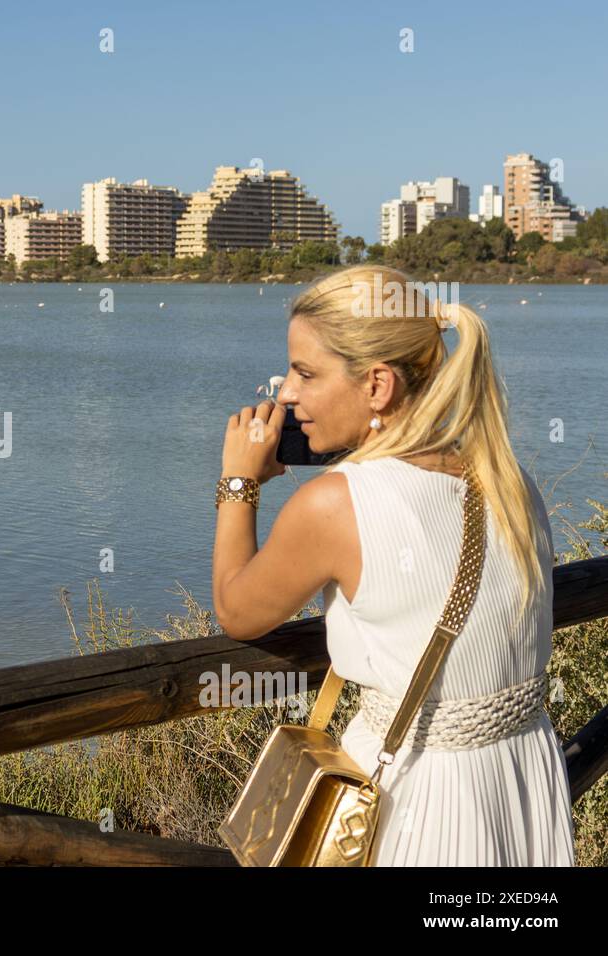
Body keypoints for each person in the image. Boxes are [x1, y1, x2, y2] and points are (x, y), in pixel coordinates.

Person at [211, 265, 575, 865]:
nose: (285, 395)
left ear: (377, 386)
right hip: (521, 775)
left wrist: (237, 482)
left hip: (417, 798)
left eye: (304, 373)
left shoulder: (335, 502)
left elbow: (236, 609)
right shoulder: (513, 484)